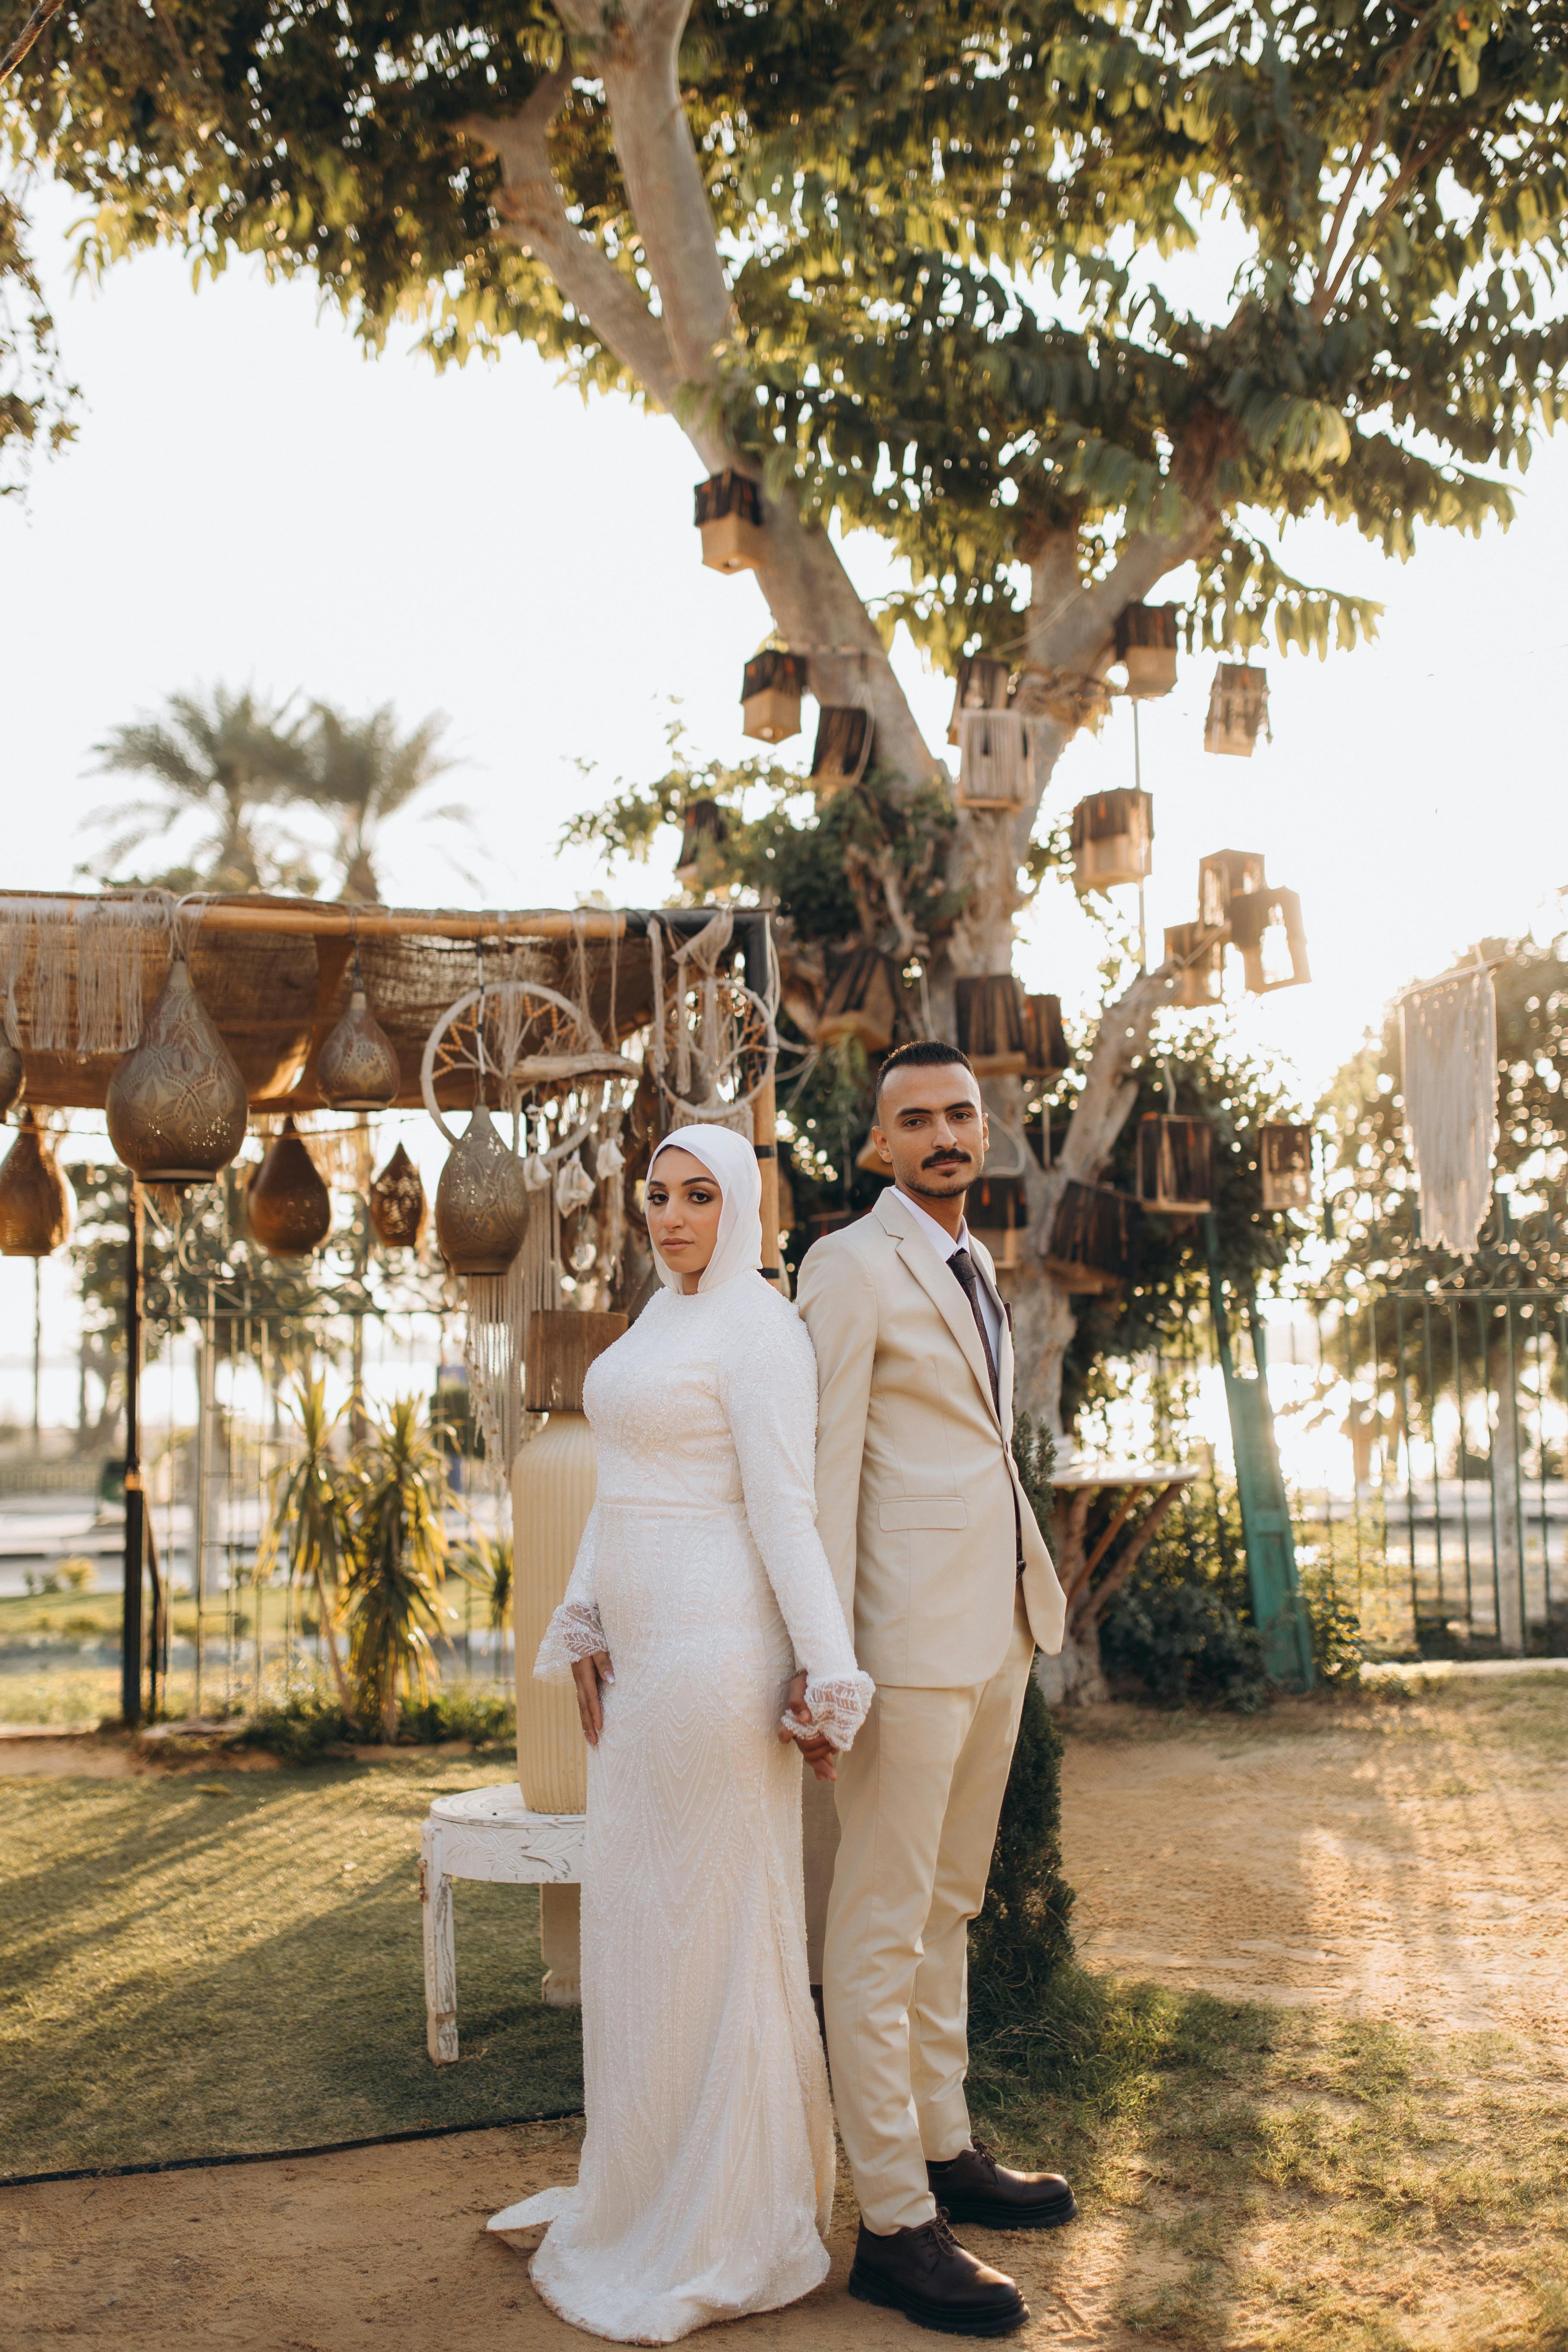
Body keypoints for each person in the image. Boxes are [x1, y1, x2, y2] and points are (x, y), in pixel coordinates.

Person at [487, 1123, 873, 2344]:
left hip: (716, 1656)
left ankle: (728, 2217)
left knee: (716, 1922)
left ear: (746, 1206)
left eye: (701, 1196)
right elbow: (619, 1482)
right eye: (658, 1195)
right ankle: (645, 2187)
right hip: (638, 1664)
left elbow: (786, 1510)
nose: (672, 1216)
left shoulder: (762, 1331)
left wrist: (828, 1673)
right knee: (643, 1926)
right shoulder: (659, 1317)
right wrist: (586, 1608)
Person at [795, 1039, 1074, 2338]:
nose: (945, 1134)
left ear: (984, 1129)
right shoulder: (848, 1266)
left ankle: (949, 2145)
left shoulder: (976, 1265)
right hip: (899, 1651)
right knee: (879, 1921)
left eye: (961, 1112)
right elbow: (825, 1470)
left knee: (950, 1903)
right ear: (880, 1148)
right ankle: (895, 2221)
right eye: (916, 1120)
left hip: (995, 1631)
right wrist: (826, 1656)